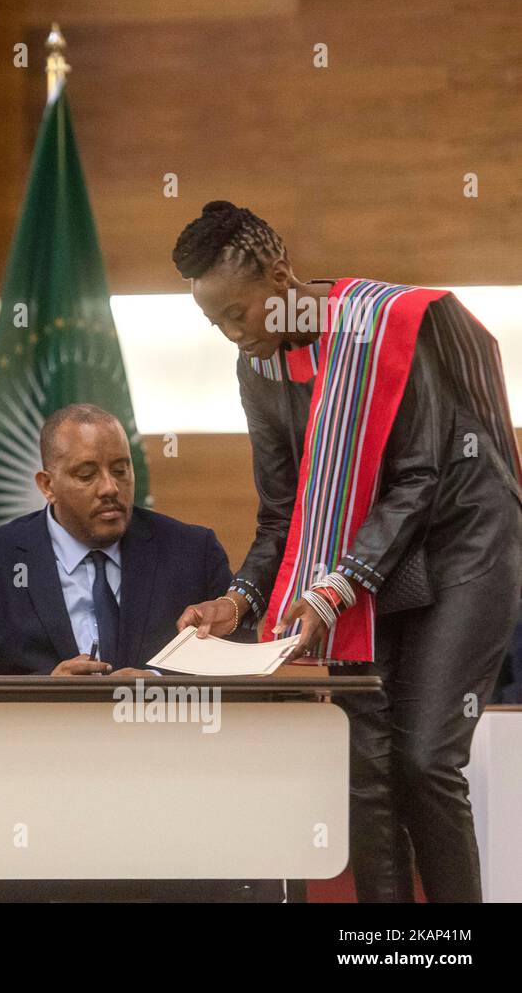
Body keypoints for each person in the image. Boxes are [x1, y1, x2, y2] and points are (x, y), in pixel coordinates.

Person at [171, 200, 522, 902]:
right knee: (365, 766)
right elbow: (281, 515)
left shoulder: (388, 326)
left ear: (280, 274)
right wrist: (236, 598)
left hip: (464, 547)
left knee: (424, 759)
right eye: (217, 324)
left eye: (239, 314)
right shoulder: (259, 372)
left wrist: (334, 588)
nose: (234, 336)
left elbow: (419, 477)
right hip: (367, 571)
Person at [0, 403, 249, 677]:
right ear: (47, 485)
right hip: (36, 750)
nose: (110, 488)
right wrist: (43, 696)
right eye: (87, 475)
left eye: (121, 470)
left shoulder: (192, 552)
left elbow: (242, 665)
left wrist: (161, 686)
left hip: (165, 745)